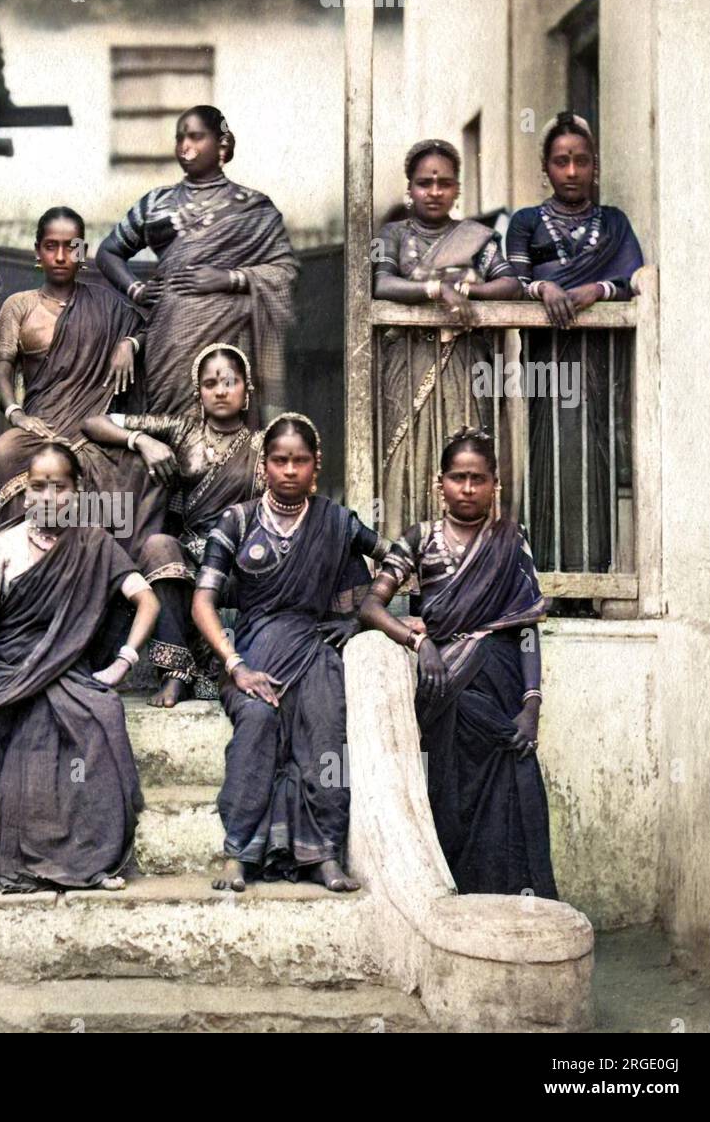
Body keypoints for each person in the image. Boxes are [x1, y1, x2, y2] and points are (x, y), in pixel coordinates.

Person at [0, 443, 158, 893]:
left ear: (76, 492)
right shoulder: (3, 546)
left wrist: (123, 662)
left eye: (59, 487)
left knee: (99, 724)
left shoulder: (95, 544)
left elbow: (147, 600)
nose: (47, 497)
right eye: (37, 487)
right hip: (6, 669)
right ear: (24, 492)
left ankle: (89, 859)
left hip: (65, 673)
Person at [191, 414, 388, 893]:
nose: (290, 470)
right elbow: (202, 602)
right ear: (264, 467)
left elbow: (398, 555)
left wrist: (362, 615)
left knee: (324, 729)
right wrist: (235, 666)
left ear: (315, 466)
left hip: (313, 649)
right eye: (280, 460)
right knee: (257, 723)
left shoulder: (336, 522)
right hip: (252, 653)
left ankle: (323, 855)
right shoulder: (236, 522)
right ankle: (238, 852)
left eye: (300, 461)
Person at [358, 427, 557, 898]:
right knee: (447, 796)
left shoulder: (511, 539)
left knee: (513, 792)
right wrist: (417, 641)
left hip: (502, 693)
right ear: (439, 483)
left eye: (478, 479)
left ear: (494, 485)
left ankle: (514, 904)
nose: (467, 489)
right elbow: (370, 607)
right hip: (444, 689)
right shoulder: (419, 539)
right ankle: (458, 903)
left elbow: (525, 625)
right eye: (458, 478)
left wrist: (531, 705)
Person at [83, 342, 264, 706]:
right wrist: (141, 440)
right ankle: (176, 675)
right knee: (157, 547)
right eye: (211, 384)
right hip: (191, 559)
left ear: (247, 389)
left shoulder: (263, 444)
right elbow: (93, 423)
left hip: (240, 563)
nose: (221, 390)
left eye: (230, 381)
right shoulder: (180, 430)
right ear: (199, 393)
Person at [505, 112, 644, 574]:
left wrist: (594, 291)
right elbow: (513, 280)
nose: (571, 172)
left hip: (597, 365)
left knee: (592, 460)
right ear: (544, 167)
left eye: (581, 161)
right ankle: (546, 578)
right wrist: (542, 289)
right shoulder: (526, 222)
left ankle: (592, 579)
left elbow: (630, 279)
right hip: (549, 364)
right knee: (550, 457)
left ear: (595, 166)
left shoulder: (614, 224)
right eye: (561, 161)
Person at [96, 105, 298, 416]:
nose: (184, 147)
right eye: (180, 139)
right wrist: (136, 289)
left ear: (222, 144)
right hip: (169, 340)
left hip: (229, 338)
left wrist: (227, 279)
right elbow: (108, 252)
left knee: (225, 430)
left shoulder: (254, 208)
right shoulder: (157, 203)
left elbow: (285, 271)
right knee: (171, 433)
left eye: (195, 137)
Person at [0, 206, 165, 553]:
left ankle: (114, 563)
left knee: (142, 468)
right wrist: (17, 414)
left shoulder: (107, 306)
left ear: (83, 252)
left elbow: (152, 329)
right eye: (51, 246)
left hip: (91, 432)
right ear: (38, 250)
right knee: (2, 451)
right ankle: (24, 553)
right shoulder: (18, 306)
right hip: (40, 430)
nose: (60, 255)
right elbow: (2, 366)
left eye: (71, 247)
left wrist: (129, 343)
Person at [373, 138, 523, 541]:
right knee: (407, 458)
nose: (434, 192)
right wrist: (438, 291)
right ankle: (405, 564)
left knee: (462, 453)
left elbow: (510, 282)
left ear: (457, 188)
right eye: (425, 183)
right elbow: (381, 282)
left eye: (444, 183)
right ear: (410, 187)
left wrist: (469, 290)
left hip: (461, 365)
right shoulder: (390, 235)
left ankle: (466, 563)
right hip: (407, 364)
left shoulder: (477, 237)